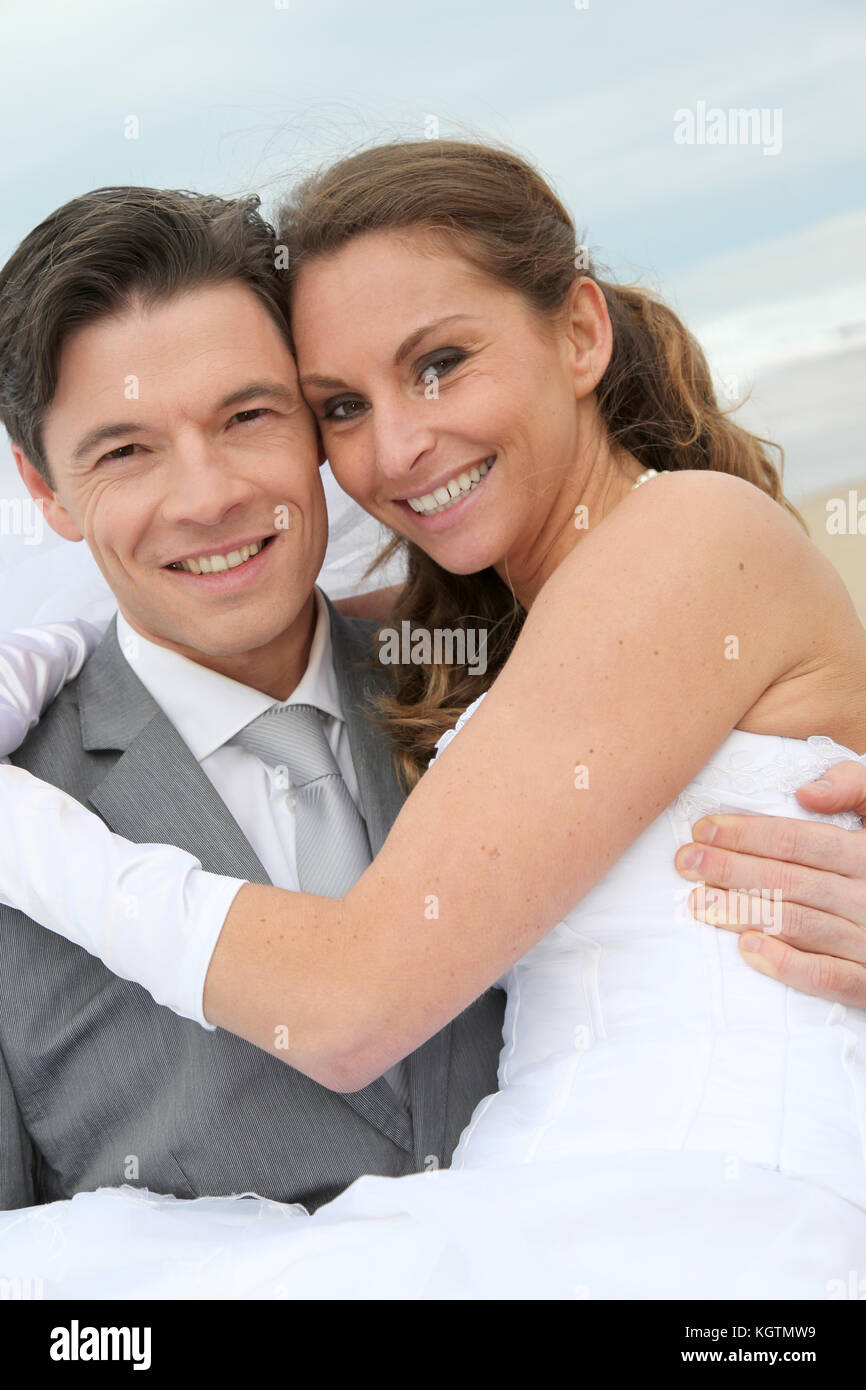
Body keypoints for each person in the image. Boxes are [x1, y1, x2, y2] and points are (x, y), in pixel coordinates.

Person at [0, 141, 864, 1298]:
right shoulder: (501, 632)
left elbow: (357, 1003)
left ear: (578, 333)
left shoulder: (627, 591)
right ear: (43, 488)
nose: (398, 447)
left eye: (254, 413)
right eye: (346, 404)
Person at [0, 185, 505, 1214]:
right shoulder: (28, 807)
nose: (208, 496)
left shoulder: (504, 676)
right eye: (125, 450)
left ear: (316, 423)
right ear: (44, 488)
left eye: (247, 416)